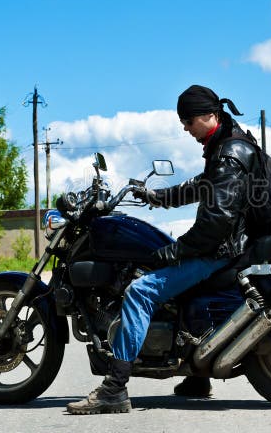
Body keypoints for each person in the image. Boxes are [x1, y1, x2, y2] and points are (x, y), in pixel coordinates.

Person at [66, 84, 261, 415]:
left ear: (209, 116)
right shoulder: (228, 144)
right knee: (170, 285)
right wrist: (159, 197)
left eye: (188, 121)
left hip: (221, 250)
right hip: (227, 245)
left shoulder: (228, 154)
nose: (185, 128)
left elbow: (217, 222)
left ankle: (115, 388)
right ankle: (198, 375)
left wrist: (179, 250)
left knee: (140, 291)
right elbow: (203, 186)